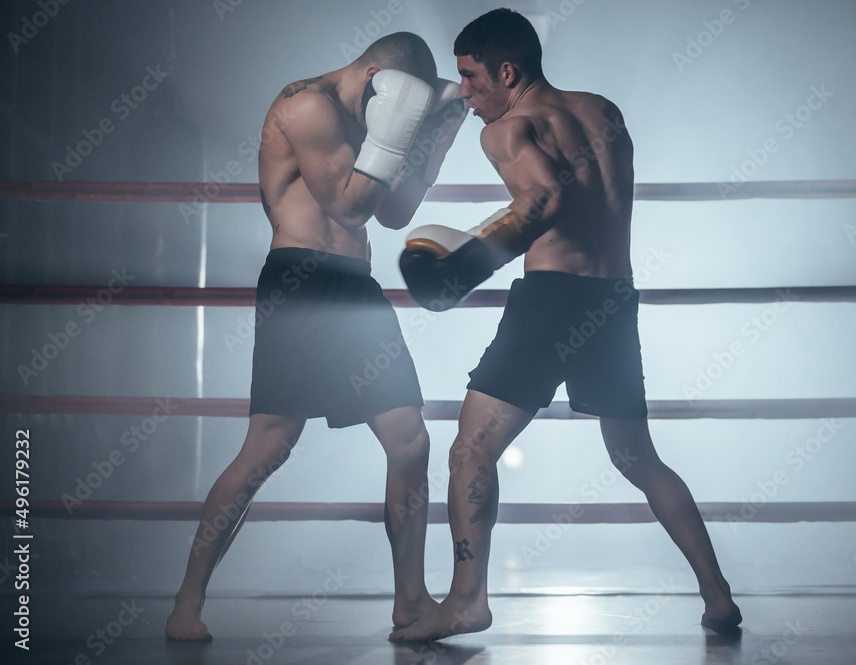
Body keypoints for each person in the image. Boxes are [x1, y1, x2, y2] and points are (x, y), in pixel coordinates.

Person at [391, 9, 742, 641]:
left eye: (471, 79)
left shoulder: (507, 130)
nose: (464, 95)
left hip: (552, 302)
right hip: (613, 297)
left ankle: (467, 602)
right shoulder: (602, 110)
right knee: (638, 456)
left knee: (471, 449)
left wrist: (465, 265)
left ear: (507, 71)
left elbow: (545, 198)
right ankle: (718, 597)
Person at [166, 32, 467, 640]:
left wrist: (437, 132)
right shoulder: (307, 107)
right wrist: (404, 123)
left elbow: (393, 214)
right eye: (399, 102)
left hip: (356, 287)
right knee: (267, 449)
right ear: (376, 75)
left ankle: (410, 601)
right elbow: (350, 208)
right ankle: (186, 602)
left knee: (410, 440)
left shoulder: (371, 111)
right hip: (300, 286)